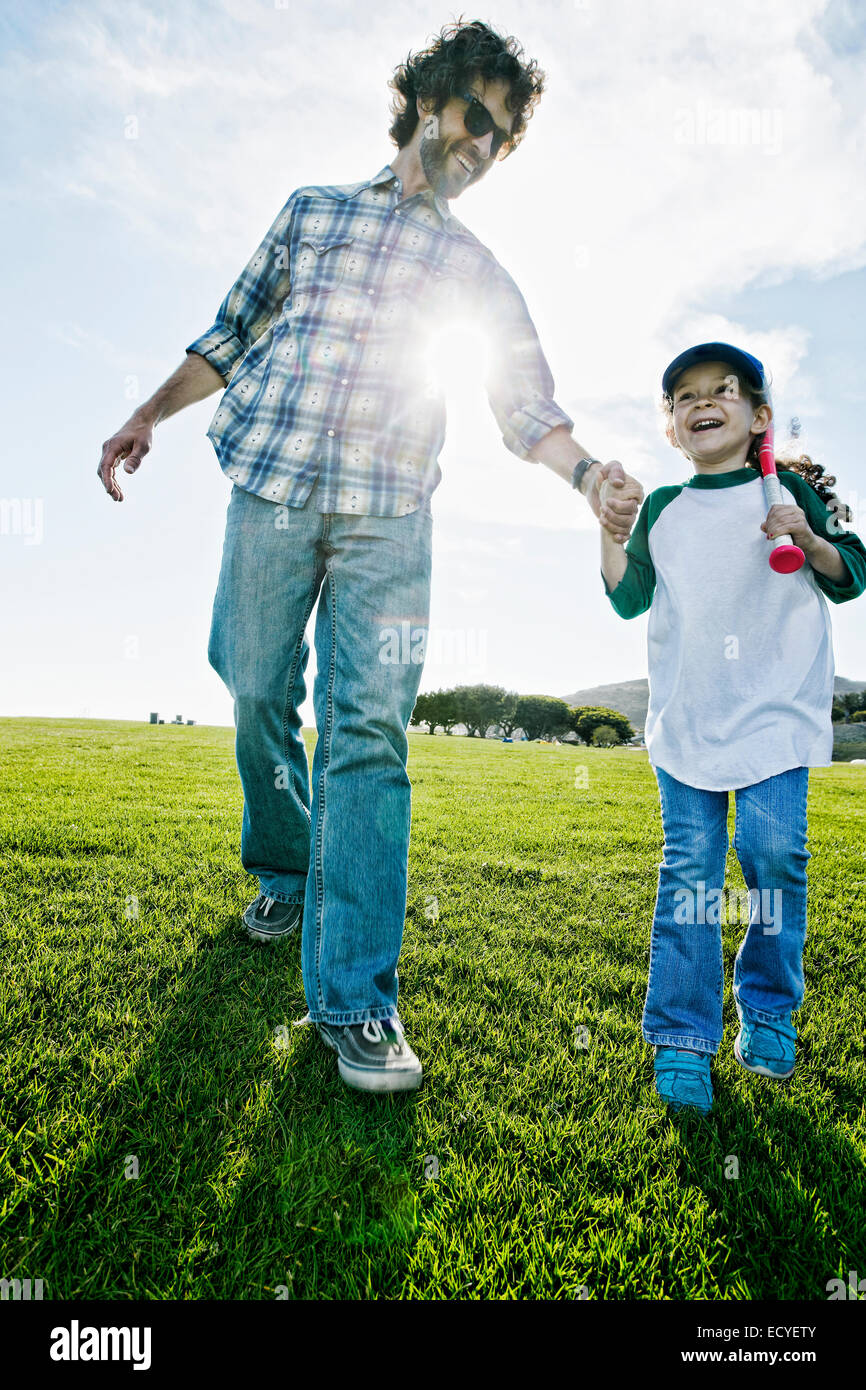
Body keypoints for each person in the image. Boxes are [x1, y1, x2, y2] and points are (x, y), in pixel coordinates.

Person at [97, 20, 641, 1095]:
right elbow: (229, 331)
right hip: (271, 485)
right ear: (425, 102)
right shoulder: (311, 213)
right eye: (472, 116)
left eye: (502, 136)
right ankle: (285, 862)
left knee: (367, 735)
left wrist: (588, 478)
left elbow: (521, 401)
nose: (481, 144)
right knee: (252, 685)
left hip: (390, 516)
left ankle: (355, 998)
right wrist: (146, 414)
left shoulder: (473, 266)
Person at [599, 342, 866, 1115]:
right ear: (673, 426)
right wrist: (610, 530)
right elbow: (627, 599)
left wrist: (810, 538)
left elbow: (850, 577)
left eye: (723, 390)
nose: (703, 401)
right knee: (690, 874)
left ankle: (769, 1008)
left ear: (758, 419)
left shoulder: (786, 496)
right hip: (689, 721)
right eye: (685, 396)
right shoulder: (664, 510)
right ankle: (683, 1036)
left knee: (773, 854)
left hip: (775, 714)